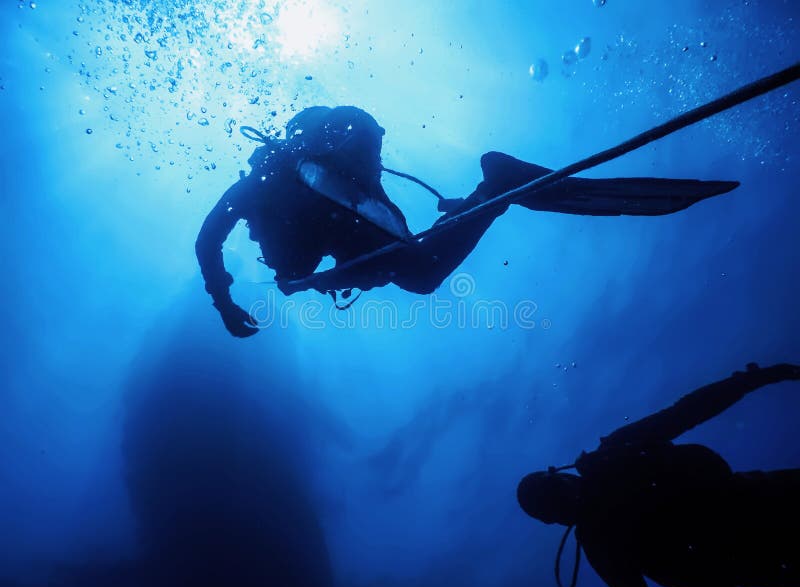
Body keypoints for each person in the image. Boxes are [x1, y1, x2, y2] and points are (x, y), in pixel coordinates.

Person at [196, 106, 739, 337]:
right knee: (414, 270)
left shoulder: (259, 191)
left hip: (370, 218)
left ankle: (495, 185)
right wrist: (314, 281)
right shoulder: (299, 200)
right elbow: (366, 254)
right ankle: (489, 191)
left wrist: (224, 302)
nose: (260, 250)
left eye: (256, 244)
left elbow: (207, 240)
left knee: (419, 274)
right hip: (371, 215)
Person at [516, 362, 800, 587]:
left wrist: (757, 378)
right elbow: (686, 412)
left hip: (755, 552)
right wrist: (756, 378)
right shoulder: (613, 457)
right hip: (762, 501)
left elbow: (686, 413)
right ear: (561, 475)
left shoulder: (599, 543)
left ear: (554, 518)